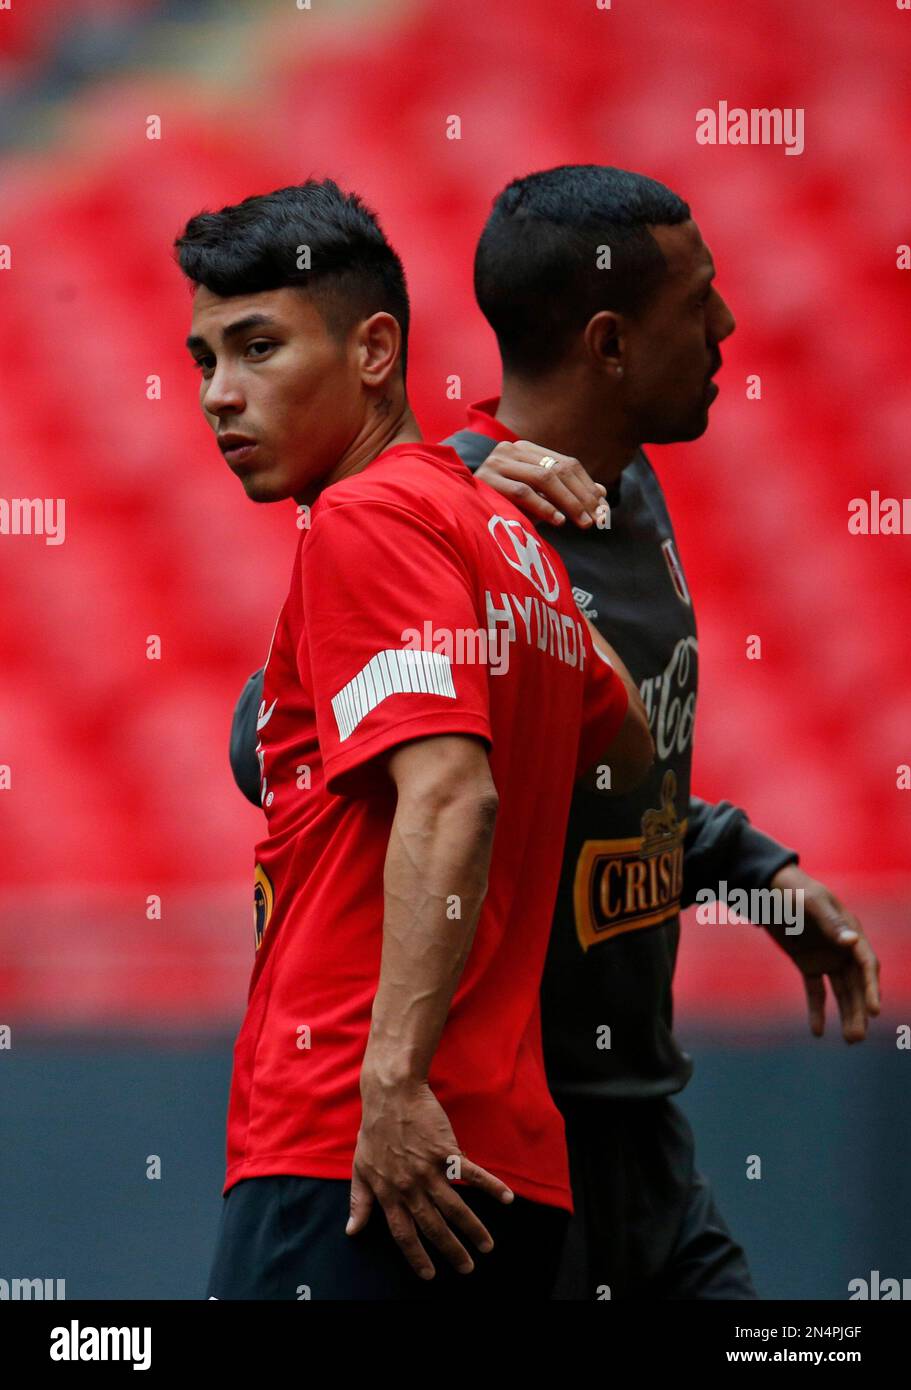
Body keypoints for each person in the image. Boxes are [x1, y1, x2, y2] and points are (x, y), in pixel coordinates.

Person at [232, 164, 881, 1300]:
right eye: (698, 300)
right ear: (608, 343)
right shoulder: (464, 507)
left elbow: (619, 768)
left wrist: (747, 868)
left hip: (640, 1116)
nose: (728, 325)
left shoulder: (631, 499)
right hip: (514, 1127)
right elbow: (268, 740)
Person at [176, 178, 653, 1300]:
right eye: (204, 362)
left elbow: (451, 795)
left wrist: (387, 1082)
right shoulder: (498, 531)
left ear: (375, 349)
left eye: (256, 348)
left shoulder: (365, 517)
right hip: (512, 1177)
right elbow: (625, 744)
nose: (218, 397)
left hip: (356, 1151)